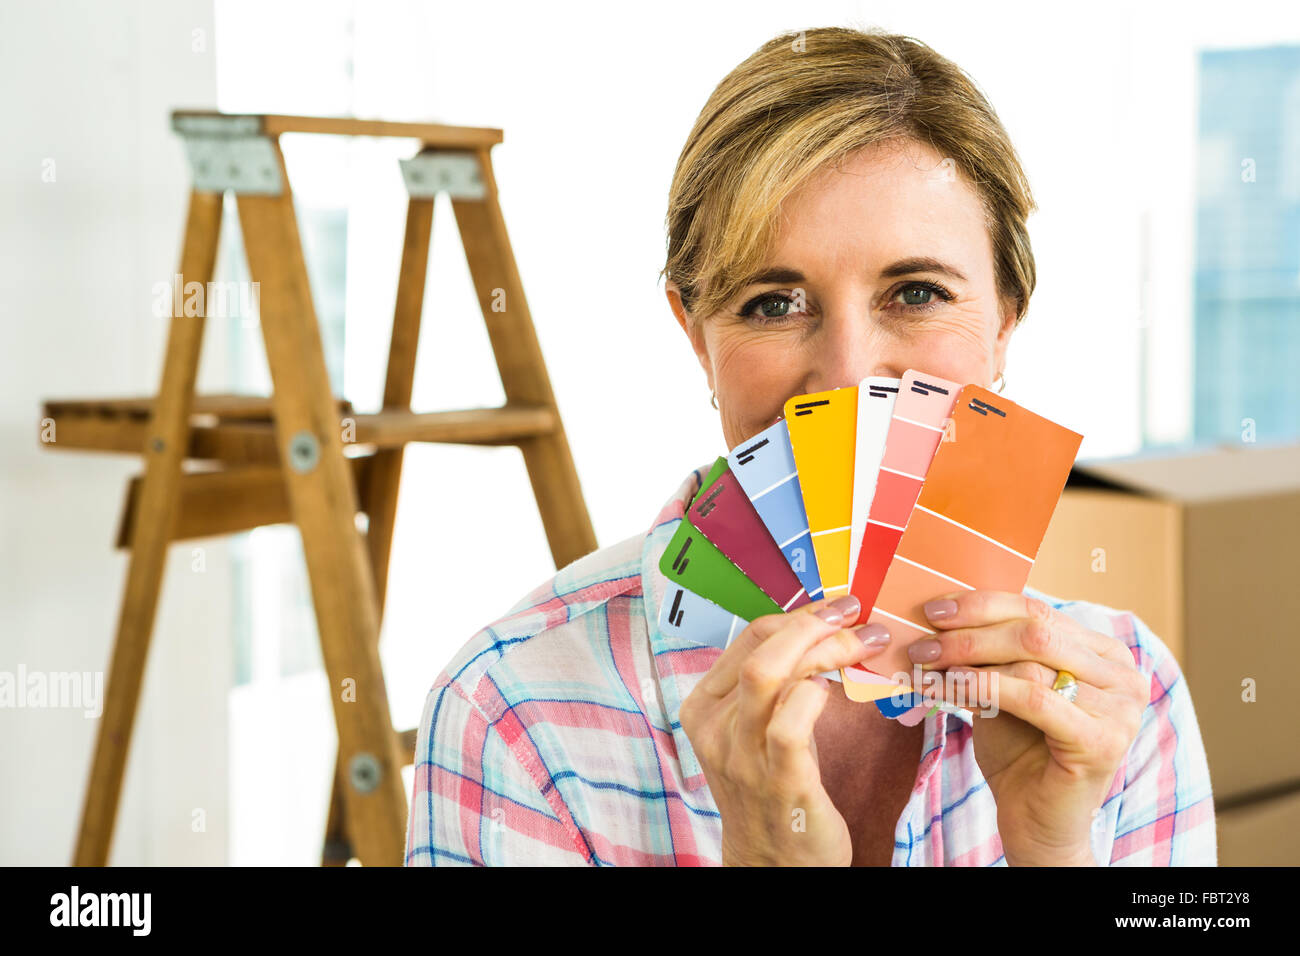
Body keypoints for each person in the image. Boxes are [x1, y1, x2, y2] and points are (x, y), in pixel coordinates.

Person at [404, 25, 1216, 866]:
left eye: (916, 291)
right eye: (772, 303)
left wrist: (1054, 851)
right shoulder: (512, 711)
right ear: (697, 338)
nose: (849, 377)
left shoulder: (1122, 701)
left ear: (1005, 322)